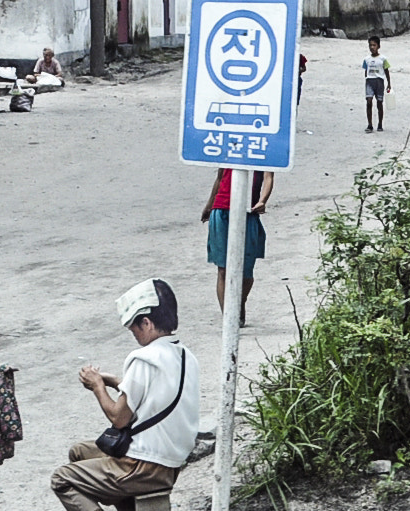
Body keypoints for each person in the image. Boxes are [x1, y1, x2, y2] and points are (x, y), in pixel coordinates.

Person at [50, 279, 201, 511]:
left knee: (62, 479)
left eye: (134, 327)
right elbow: (154, 394)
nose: (133, 333)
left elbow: (119, 418)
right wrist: (113, 381)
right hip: (170, 462)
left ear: (147, 323)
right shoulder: (184, 355)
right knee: (79, 452)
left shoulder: (144, 357)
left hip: (144, 466)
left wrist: (97, 387)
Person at [201, 168, 270, 321]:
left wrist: (263, 200)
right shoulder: (228, 147)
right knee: (223, 269)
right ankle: (229, 317)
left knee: (246, 272)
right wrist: (209, 205)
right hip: (221, 210)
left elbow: (268, 177)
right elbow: (220, 178)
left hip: (248, 211)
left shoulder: (260, 149)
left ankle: (239, 302)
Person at [362, 36, 391, 132]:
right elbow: (366, 71)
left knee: (379, 103)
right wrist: (366, 80)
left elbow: (386, 71)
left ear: (378, 46)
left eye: (374, 45)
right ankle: (370, 124)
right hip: (370, 82)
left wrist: (389, 83)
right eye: (370, 45)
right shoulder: (366, 59)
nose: (372, 47)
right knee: (369, 102)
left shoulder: (383, 59)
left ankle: (380, 123)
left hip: (379, 82)